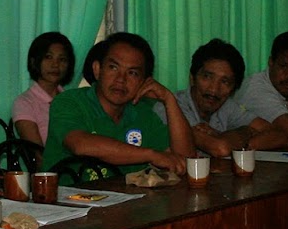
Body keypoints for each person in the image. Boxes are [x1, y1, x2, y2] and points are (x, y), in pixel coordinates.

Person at [41, 32, 193, 174]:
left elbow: (185, 162)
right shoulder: (69, 101)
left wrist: (169, 100)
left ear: (144, 81)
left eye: (132, 73)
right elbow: (80, 144)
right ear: (97, 69)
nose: (121, 79)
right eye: (113, 67)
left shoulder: (142, 112)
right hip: (66, 200)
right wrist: (151, 155)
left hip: (127, 200)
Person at [158, 38, 287, 157]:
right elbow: (220, 148)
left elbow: (280, 136)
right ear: (192, 78)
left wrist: (233, 136)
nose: (214, 89)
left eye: (225, 82)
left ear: (233, 89)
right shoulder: (171, 106)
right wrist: (247, 132)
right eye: (207, 77)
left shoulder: (225, 105)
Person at [12, 32, 75, 147]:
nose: (55, 65)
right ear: (34, 62)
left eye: (62, 59)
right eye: (48, 57)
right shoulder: (24, 103)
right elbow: (37, 156)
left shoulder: (73, 100)